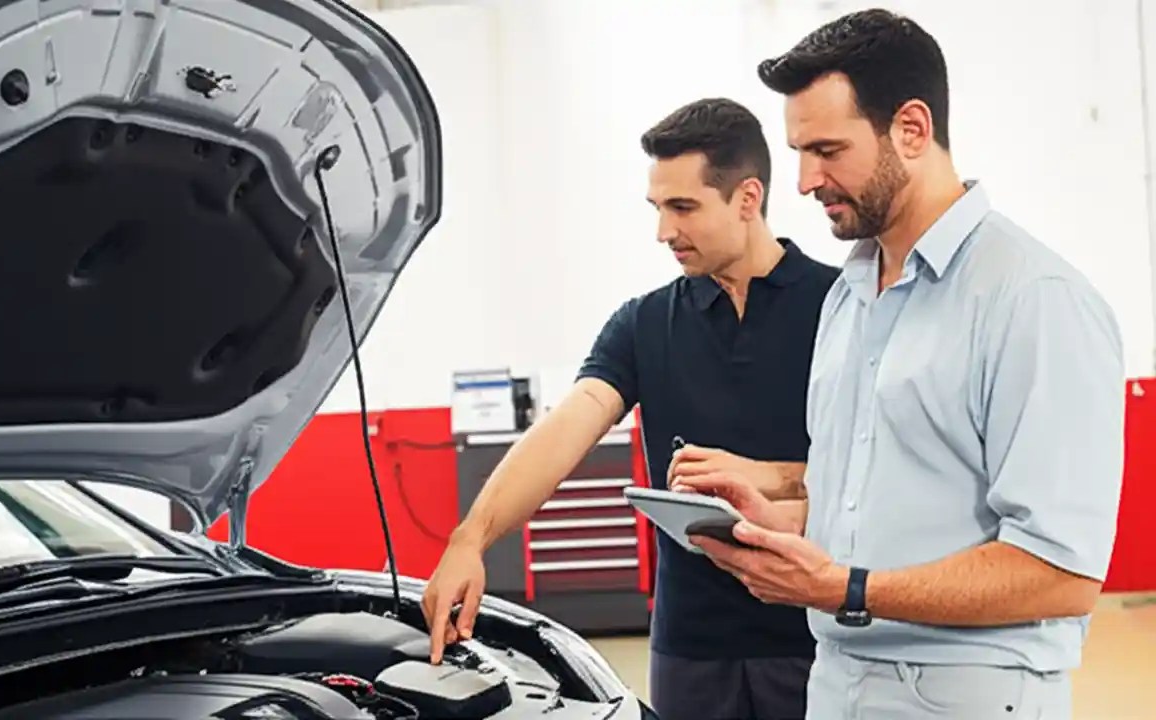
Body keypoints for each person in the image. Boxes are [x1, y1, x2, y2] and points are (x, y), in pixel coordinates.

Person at [672, 8, 1127, 720]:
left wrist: (847, 588)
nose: (802, 180)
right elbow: (877, 509)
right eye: (798, 152)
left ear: (911, 130)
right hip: (839, 682)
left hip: (965, 697)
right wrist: (788, 521)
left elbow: (1061, 573)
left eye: (826, 150)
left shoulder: (1035, 300)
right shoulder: (850, 297)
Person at [419, 97, 840, 720]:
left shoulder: (842, 307)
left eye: (683, 208)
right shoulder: (644, 324)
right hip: (691, 650)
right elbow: (567, 427)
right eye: (658, 208)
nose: (664, 231)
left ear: (747, 198)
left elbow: (880, 468)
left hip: (818, 636)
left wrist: (767, 474)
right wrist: (470, 538)